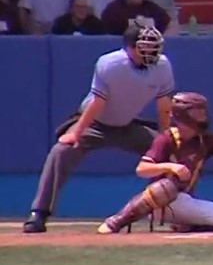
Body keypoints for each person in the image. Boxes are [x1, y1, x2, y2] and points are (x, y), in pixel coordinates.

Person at [23, 22, 174, 233]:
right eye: (145, 46)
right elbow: (97, 103)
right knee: (61, 152)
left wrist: (166, 138)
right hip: (95, 123)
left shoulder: (162, 66)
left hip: (128, 125)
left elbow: (164, 106)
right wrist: (76, 133)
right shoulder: (110, 64)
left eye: (153, 46)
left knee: (172, 153)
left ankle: (181, 212)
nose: (152, 51)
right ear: (130, 47)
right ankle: (39, 213)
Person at [97, 92, 213, 234]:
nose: (202, 117)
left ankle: (191, 226)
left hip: (184, 201)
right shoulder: (167, 139)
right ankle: (117, 220)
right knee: (166, 187)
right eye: (196, 112)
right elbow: (142, 169)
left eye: (202, 112)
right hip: (159, 202)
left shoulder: (204, 140)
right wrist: (170, 166)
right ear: (182, 115)